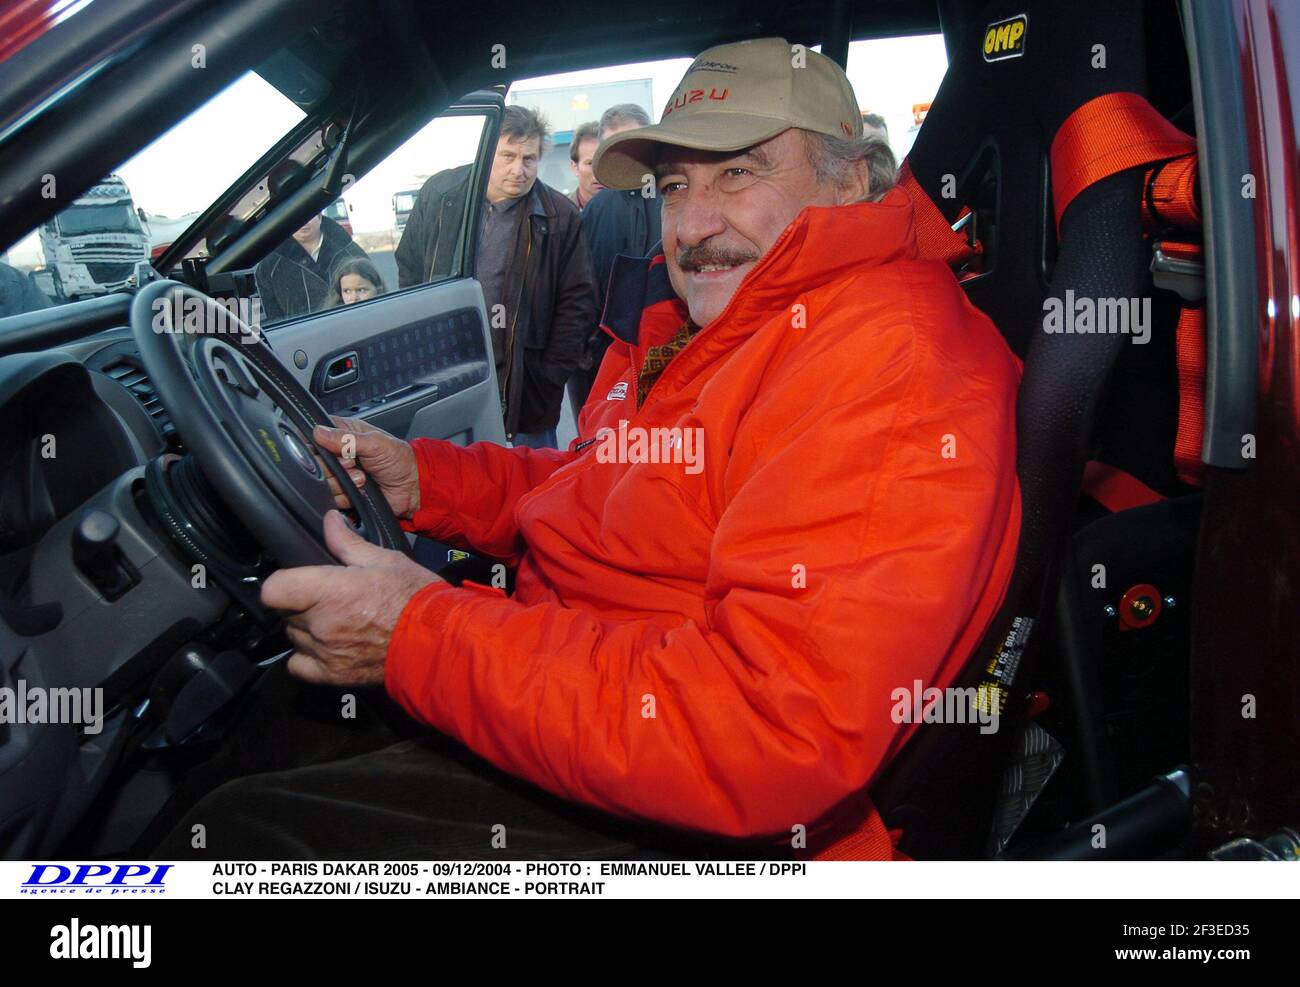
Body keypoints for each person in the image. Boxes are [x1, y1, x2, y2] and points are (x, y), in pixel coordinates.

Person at [156, 38, 1021, 860]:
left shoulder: (887, 364)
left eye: (740, 171)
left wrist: (418, 636)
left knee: (248, 832)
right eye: (677, 186)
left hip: (697, 809)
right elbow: (597, 490)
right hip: (584, 682)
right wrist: (424, 478)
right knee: (267, 719)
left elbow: (771, 730)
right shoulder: (729, 331)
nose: (692, 225)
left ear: (856, 181)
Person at [394, 105, 596, 448]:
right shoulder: (441, 196)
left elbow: (577, 303)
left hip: (527, 389)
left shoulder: (559, 216)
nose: (518, 169)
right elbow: (410, 270)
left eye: (528, 159)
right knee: (449, 481)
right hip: (449, 373)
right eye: (508, 155)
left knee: (527, 489)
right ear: (487, 151)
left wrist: (548, 376)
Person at [566, 102, 660, 409]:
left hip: (674, 357)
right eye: (615, 147)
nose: (627, 153)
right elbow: (579, 292)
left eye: (635, 142)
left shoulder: (680, 196)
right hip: (607, 366)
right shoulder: (594, 211)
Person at [253, 213, 367, 321]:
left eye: (308, 215)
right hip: (300, 338)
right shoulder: (268, 266)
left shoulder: (352, 253)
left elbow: (376, 295)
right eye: (295, 216)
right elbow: (265, 320)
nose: (303, 222)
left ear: (320, 216)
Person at [567, 121, 602, 210]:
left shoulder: (632, 212)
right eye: (590, 163)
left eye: (605, 163)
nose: (599, 172)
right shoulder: (561, 214)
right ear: (575, 167)